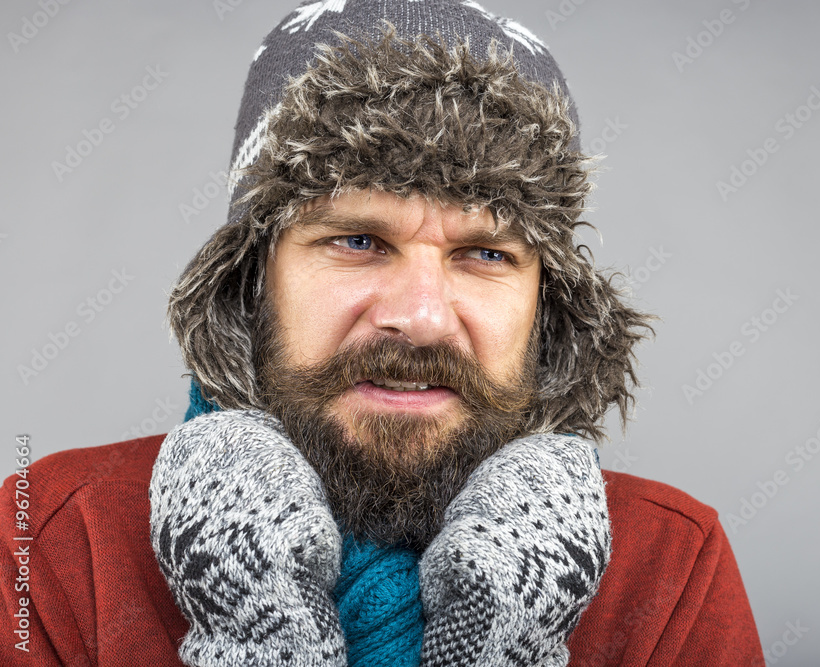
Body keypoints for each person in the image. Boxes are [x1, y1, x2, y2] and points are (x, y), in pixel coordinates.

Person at [2, 1, 764, 664]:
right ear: (250, 279)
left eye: (485, 253)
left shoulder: (669, 564)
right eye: (359, 240)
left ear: (550, 305)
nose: (422, 316)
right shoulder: (51, 538)